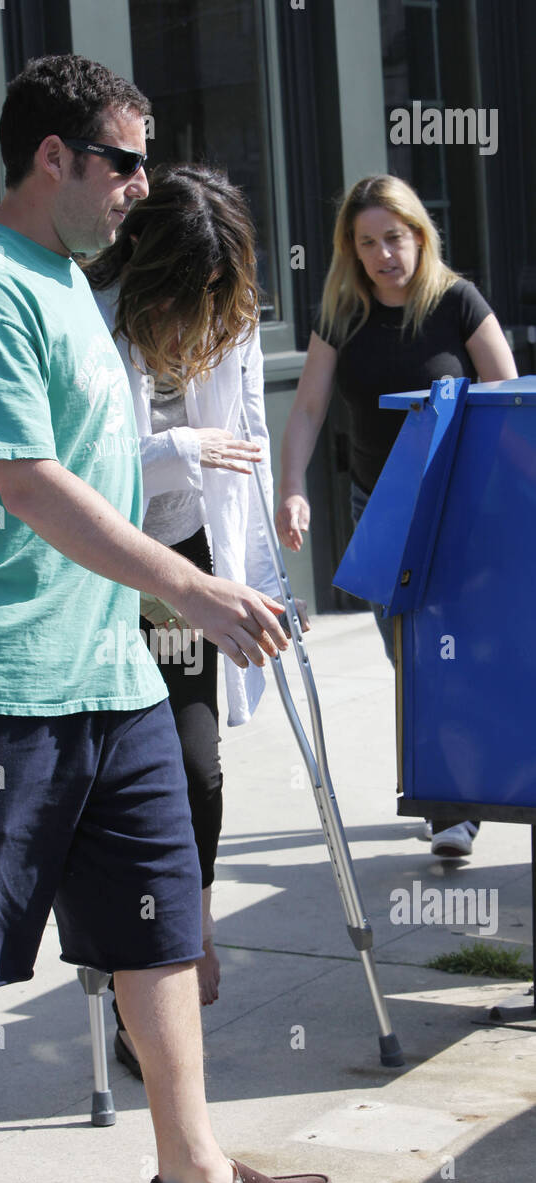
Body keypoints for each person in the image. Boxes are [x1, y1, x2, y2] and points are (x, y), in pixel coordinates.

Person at [0, 54, 333, 1183]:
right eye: (126, 162)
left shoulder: (62, 284)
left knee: (158, 918)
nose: (142, 186)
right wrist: (190, 586)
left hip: (107, 668)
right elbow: (31, 485)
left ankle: (190, 1173)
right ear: (55, 158)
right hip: (9, 679)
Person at [87, 164, 308, 1074]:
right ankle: (136, 978)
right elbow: (73, 472)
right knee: (111, 793)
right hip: (104, 568)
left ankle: (189, 936)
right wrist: (177, 446)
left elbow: (248, 434)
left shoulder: (229, 310)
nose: (205, 316)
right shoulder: (91, 316)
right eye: (190, 293)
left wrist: (263, 571)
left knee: (193, 766)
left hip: (191, 564)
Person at [276, 173, 517, 858]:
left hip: (460, 508)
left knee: (459, 653)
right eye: (367, 243)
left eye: (394, 237)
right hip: (380, 513)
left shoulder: (456, 302)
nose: (383, 254)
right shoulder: (341, 314)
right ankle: (450, 789)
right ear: (349, 252)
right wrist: (290, 486)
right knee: (408, 657)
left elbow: (508, 398)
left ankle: (451, 802)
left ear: (418, 235)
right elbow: (308, 410)